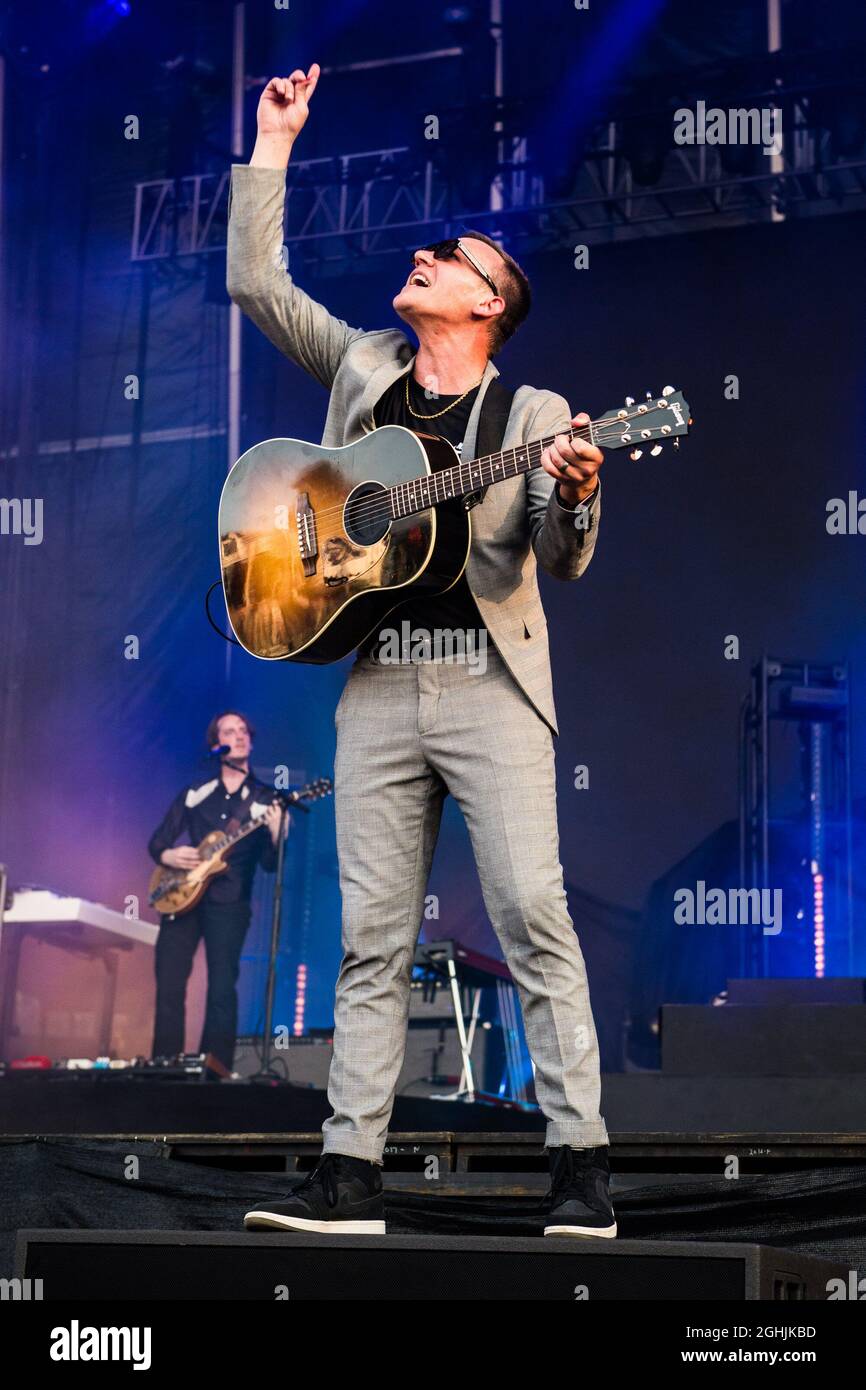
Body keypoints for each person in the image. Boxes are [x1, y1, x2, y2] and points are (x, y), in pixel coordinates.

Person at [231, 66, 615, 1238]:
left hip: (488, 685)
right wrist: (274, 143)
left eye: (453, 258)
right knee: (368, 940)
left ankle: (579, 1164)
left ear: (487, 303)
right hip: (378, 687)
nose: (427, 259)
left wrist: (578, 496)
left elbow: (557, 556)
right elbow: (255, 281)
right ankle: (349, 1176)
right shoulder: (359, 374)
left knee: (532, 916)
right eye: (434, 251)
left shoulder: (535, 416)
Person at [148, 711, 285, 1073]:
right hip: (183, 894)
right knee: (169, 982)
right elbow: (158, 841)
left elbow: (271, 865)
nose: (239, 736)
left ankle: (215, 1068)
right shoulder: (196, 792)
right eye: (229, 731)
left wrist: (276, 833)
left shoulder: (265, 799)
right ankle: (163, 1065)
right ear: (216, 744)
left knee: (223, 987)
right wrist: (169, 854)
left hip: (229, 901)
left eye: (244, 731)